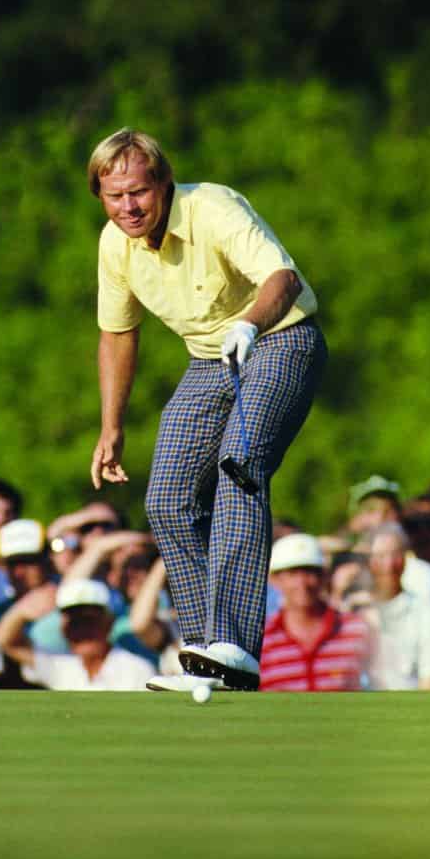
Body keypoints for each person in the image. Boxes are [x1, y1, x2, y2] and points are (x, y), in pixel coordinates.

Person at [86, 128, 326, 692]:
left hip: (281, 339)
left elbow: (282, 278)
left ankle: (236, 645)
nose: (128, 207)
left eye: (139, 192)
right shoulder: (113, 243)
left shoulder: (211, 206)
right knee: (166, 498)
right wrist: (111, 426)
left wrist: (250, 322)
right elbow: (117, 334)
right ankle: (207, 652)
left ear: (164, 183)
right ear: (99, 195)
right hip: (208, 362)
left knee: (238, 467)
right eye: (114, 196)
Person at [0, 579, 156, 691]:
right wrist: (21, 612)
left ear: (108, 623)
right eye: (75, 623)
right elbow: (6, 642)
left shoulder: (137, 670)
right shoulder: (62, 665)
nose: (82, 631)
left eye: (89, 621)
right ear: (64, 629)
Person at [257, 534, 369, 692]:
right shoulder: (262, 640)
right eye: (292, 573)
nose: (302, 583)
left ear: (324, 577)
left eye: (310, 572)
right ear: (275, 579)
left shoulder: (355, 630)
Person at [362, 524, 430, 691]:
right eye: (381, 556)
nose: (389, 565)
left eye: (395, 555)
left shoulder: (426, 613)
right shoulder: (352, 613)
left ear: (405, 560)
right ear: (368, 562)